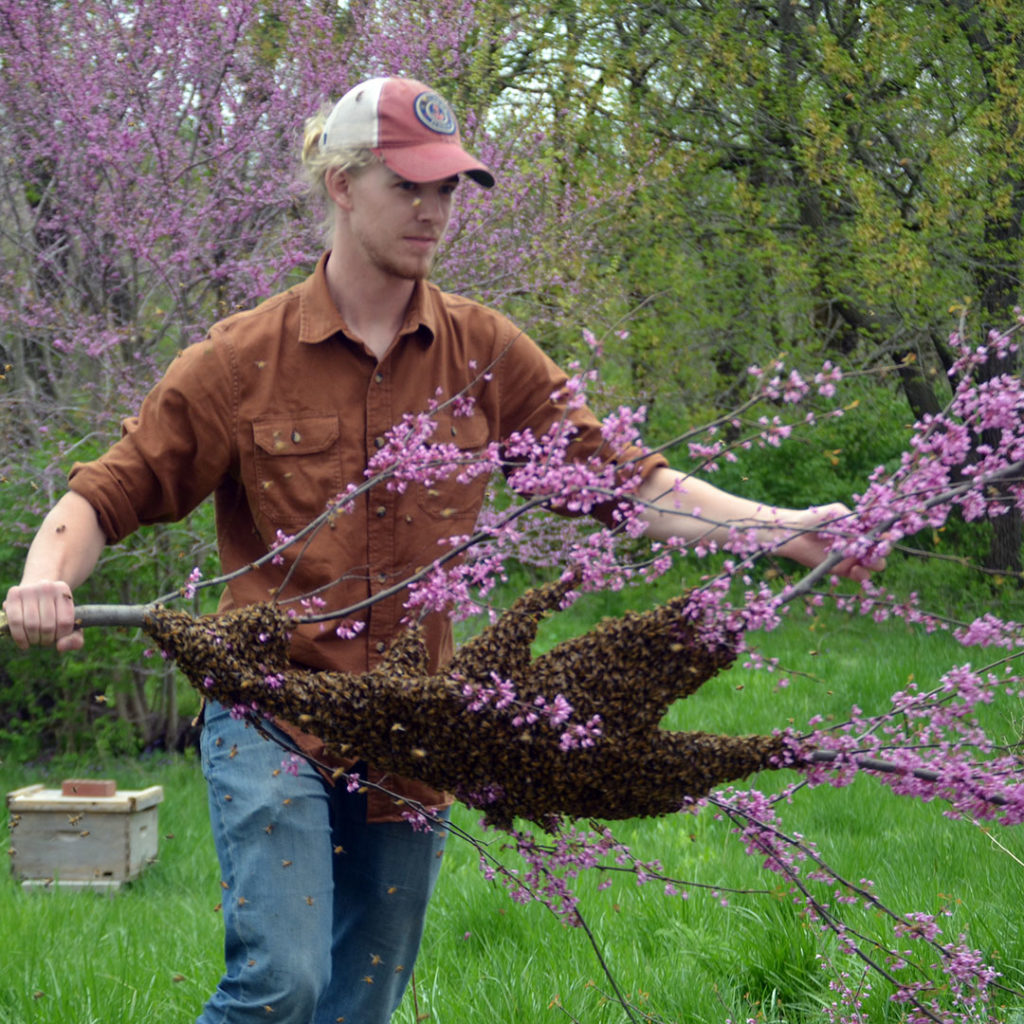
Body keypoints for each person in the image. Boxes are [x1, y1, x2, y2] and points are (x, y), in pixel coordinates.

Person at [3, 77, 873, 1024]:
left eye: (448, 190)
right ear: (341, 183)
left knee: (362, 1004)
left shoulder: (486, 354)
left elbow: (635, 487)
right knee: (282, 984)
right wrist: (44, 579)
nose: (432, 211)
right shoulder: (242, 357)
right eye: (407, 186)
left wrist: (786, 528)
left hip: (423, 728)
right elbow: (110, 490)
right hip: (270, 717)